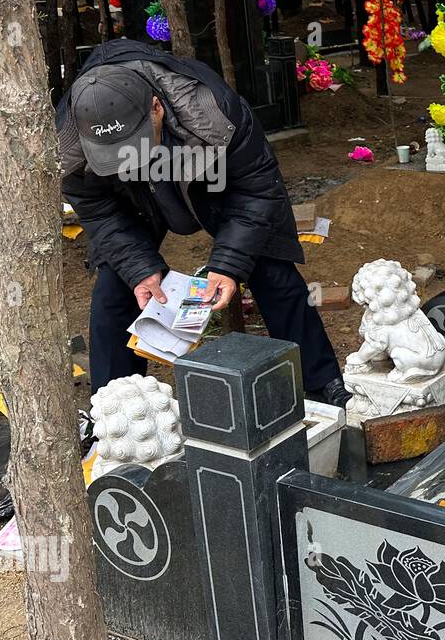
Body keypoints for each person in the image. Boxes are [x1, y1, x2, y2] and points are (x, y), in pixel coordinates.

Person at [57, 39, 349, 407]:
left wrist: (227, 265)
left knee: (272, 266)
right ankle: (114, 408)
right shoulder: (68, 142)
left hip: (210, 179)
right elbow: (98, 210)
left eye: (136, 143)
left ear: (156, 107)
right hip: (129, 199)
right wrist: (140, 269)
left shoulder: (214, 112)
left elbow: (257, 192)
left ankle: (322, 385)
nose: (132, 158)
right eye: (115, 154)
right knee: (115, 287)